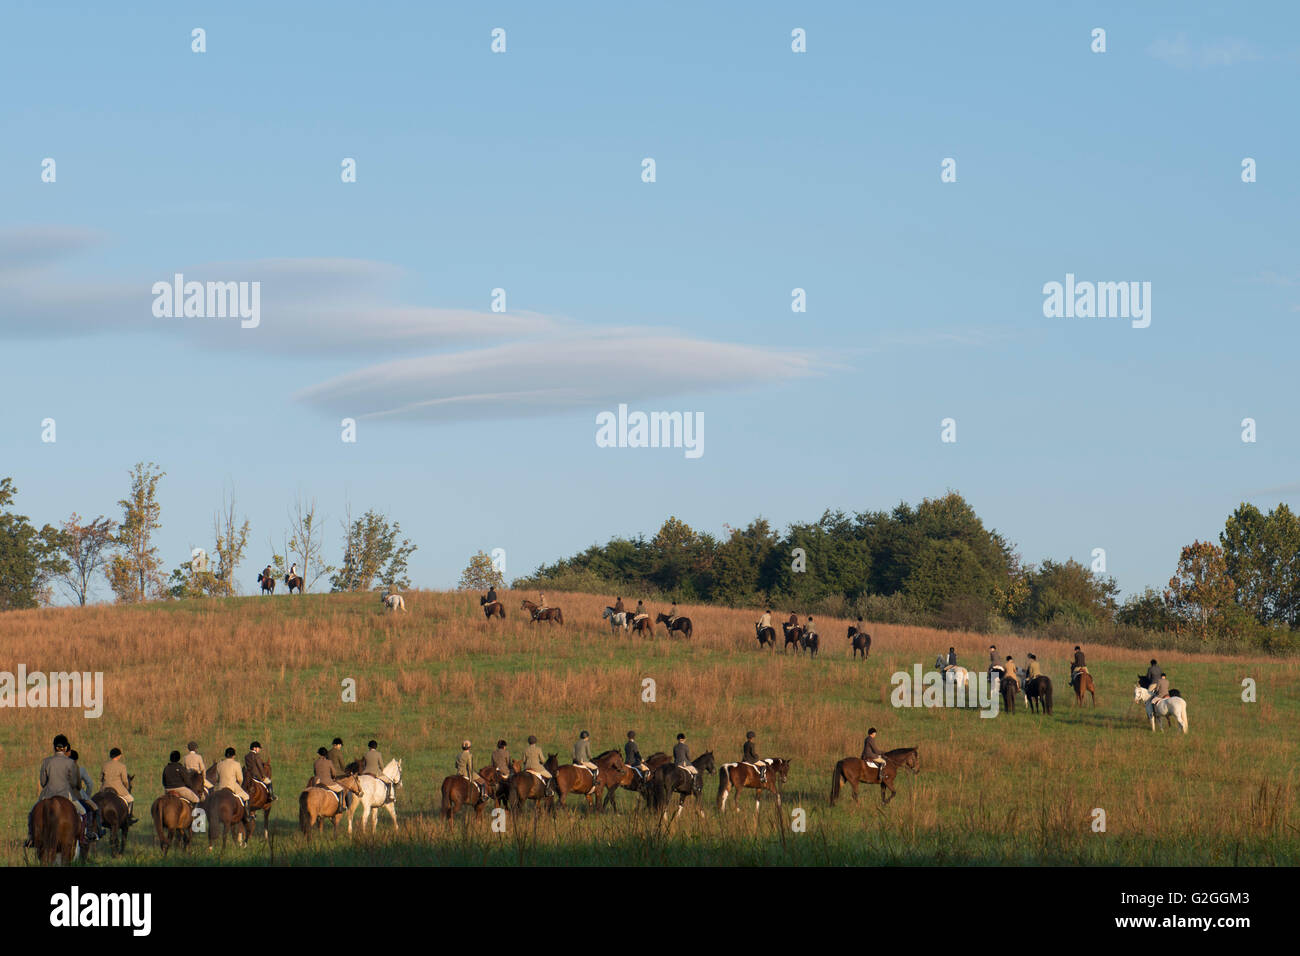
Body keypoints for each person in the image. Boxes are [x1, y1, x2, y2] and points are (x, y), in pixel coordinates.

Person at [26, 734, 95, 847]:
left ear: (54, 747)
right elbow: (74, 783)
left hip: (47, 795)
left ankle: (31, 838)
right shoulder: (70, 763)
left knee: (32, 813)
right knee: (83, 813)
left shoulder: (46, 761)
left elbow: (43, 782)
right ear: (66, 748)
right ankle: (82, 837)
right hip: (66, 795)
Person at [100, 747, 136, 822]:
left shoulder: (105, 765)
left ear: (111, 756)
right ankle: (128, 817)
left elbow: (101, 778)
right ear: (119, 756)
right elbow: (125, 780)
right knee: (131, 799)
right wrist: (126, 787)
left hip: (104, 789)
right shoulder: (122, 766)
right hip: (118, 789)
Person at [214, 747, 250, 814]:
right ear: (233, 756)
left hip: (221, 787)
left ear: (225, 755)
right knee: (246, 797)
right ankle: (248, 816)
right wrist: (239, 785)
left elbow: (217, 778)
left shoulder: (219, 764)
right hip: (232, 786)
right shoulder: (236, 764)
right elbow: (240, 779)